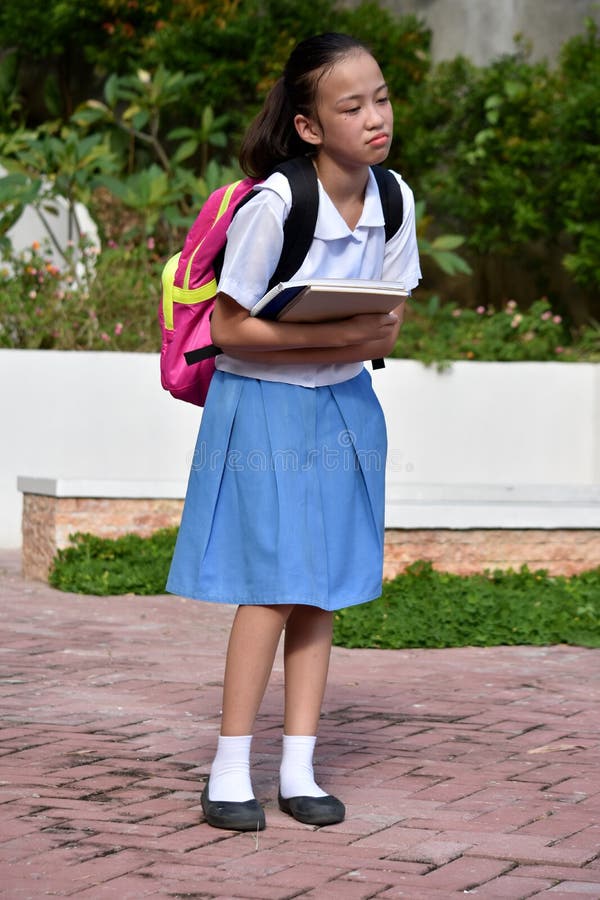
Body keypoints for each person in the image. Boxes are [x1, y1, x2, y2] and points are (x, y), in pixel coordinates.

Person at [166, 32, 421, 831]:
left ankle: (299, 772)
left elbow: (388, 328)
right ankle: (229, 770)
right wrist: (337, 340)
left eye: (380, 97)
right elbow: (232, 330)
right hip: (263, 407)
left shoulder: (395, 199)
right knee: (274, 588)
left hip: (345, 407)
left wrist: (344, 345)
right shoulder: (277, 204)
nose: (375, 117)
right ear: (309, 125)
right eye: (352, 106)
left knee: (323, 591)